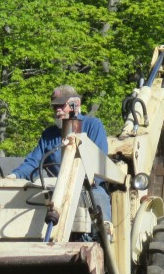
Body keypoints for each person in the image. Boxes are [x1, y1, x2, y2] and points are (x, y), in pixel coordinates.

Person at [7, 85, 112, 223]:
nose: (58, 110)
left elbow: (100, 162)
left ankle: (103, 238)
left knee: (98, 197)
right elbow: (33, 162)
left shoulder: (93, 126)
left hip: (88, 187)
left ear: (76, 104)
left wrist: (87, 182)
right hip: (56, 188)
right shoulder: (49, 134)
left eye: (62, 106)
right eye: (55, 107)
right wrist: (13, 176)